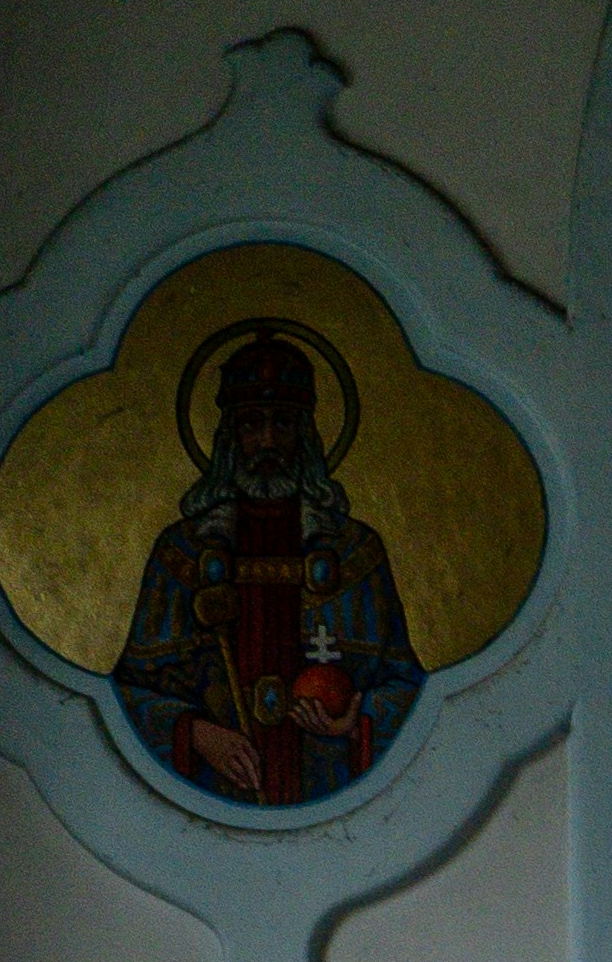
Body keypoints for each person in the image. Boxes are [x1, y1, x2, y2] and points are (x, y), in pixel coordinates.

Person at [112, 323, 424, 805]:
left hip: (328, 791)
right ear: (229, 437)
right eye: (252, 424)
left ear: (306, 434)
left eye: (282, 423)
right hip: (213, 796)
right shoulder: (182, 553)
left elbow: (406, 685)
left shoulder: (355, 552)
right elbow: (131, 691)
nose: (267, 442)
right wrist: (196, 733)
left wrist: (354, 720)